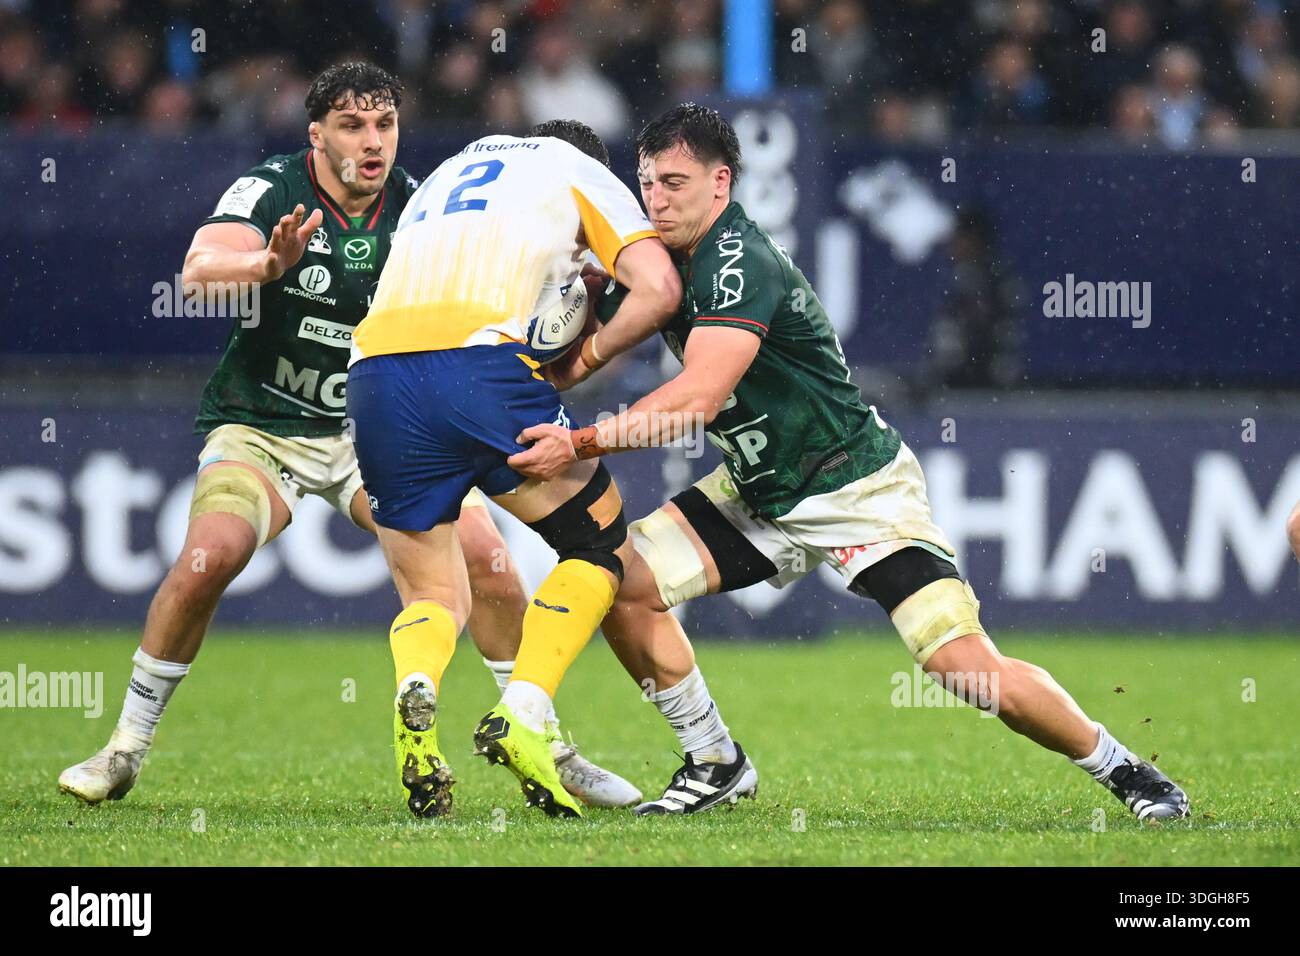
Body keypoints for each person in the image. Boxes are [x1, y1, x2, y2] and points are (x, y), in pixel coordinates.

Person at [507, 103, 1190, 822]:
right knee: (621, 579)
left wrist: (579, 441)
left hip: (853, 487)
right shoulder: (656, 257)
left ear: (722, 183)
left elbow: (700, 397)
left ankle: (1126, 770)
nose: (657, 199)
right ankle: (714, 760)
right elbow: (587, 343)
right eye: (647, 183)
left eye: (676, 181)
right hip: (761, 489)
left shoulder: (738, 260)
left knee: (963, 669)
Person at [58, 63, 639, 816]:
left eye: (385, 125)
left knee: (490, 563)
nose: (373, 142)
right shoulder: (271, 189)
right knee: (212, 556)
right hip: (265, 423)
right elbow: (199, 273)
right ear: (316, 135)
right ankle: (124, 749)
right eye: (352, 126)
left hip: (378, 425)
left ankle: (549, 745)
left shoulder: (422, 203)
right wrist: (262, 266)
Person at [346, 119, 682, 817]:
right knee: (598, 546)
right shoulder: (579, 170)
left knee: (432, 595)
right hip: (480, 368)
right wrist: (586, 358)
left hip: (374, 374)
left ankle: (419, 693)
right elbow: (658, 290)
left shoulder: (443, 175)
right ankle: (523, 714)